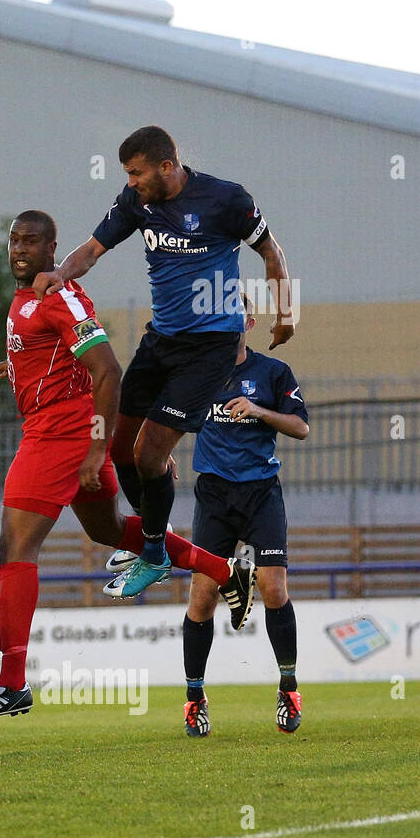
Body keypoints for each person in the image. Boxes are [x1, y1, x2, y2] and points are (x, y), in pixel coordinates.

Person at [0, 211, 255, 723]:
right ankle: (224, 570)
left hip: (61, 433)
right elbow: (61, 356)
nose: (19, 249)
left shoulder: (56, 296)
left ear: (53, 249)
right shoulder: (29, 297)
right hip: (60, 427)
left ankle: (11, 684)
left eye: (31, 242)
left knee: (15, 547)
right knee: (108, 529)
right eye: (13, 240)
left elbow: (109, 371)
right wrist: (21, 368)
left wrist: (97, 447)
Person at [33, 126, 293, 601]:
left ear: (167, 167)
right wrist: (58, 274)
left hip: (210, 347)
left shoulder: (227, 200)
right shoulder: (136, 202)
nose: (130, 182)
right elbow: (91, 250)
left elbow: (271, 252)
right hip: (162, 341)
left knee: (150, 455)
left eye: (136, 172)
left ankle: (155, 554)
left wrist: (286, 314)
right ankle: (154, 537)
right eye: (127, 174)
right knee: (118, 447)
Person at [179, 303, 309, 737]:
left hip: (260, 492)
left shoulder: (273, 372)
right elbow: (168, 414)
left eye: (235, 317)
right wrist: (156, 456)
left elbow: (300, 427)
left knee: (274, 588)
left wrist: (259, 411)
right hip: (214, 494)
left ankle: (288, 688)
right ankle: (195, 698)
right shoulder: (197, 371)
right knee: (202, 596)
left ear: (249, 324)